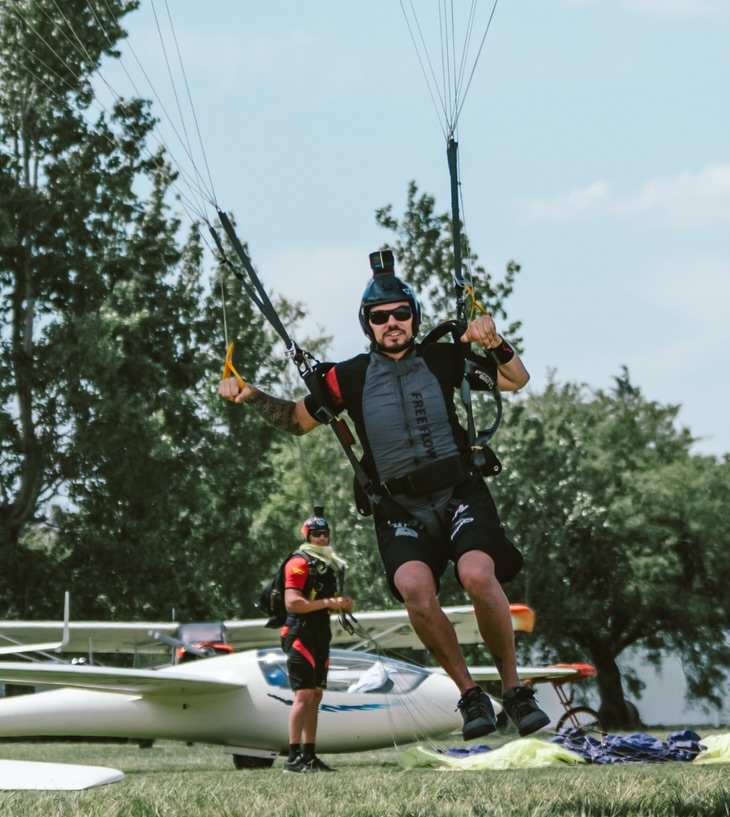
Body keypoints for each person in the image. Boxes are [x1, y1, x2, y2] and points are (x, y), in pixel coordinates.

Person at [221, 252, 549, 742]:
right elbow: (295, 420)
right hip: (400, 508)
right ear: (367, 324)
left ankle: (514, 690)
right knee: (415, 587)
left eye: (400, 313)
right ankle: (469, 695)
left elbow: (515, 379)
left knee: (477, 574)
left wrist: (494, 342)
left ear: (413, 317)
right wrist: (250, 395)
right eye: (380, 317)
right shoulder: (346, 377)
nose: (391, 323)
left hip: (459, 492)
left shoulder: (444, 358)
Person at [276, 511, 354, 771]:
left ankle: (309, 755)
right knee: (304, 693)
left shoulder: (328, 563)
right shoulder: (298, 562)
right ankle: (292, 757)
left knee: (317, 694)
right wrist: (329, 602)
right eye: (316, 534)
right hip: (300, 630)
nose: (322, 538)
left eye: (325, 534)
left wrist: (340, 605)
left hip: (321, 630)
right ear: (307, 536)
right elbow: (293, 603)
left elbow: (320, 602)